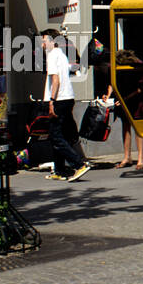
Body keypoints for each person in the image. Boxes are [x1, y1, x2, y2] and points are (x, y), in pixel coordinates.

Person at [40, 29, 89, 182]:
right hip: (68, 98)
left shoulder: (52, 55)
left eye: (44, 41)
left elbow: (55, 80)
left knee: (55, 136)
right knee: (61, 135)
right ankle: (60, 170)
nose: (42, 44)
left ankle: (78, 164)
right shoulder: (61, 54)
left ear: (52, 41)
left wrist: (51, 102)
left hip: (59, 100)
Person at [107, 49, 143, 171]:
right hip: (124, 98)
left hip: (136, 100)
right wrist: (110, 96)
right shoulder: (116, 68)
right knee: (125, 127)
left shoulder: (138, 68)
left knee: (138, 129)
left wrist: (123, 98)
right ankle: (127, 157)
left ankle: (140, 158)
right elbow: (112, 83)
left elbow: (140, 89)